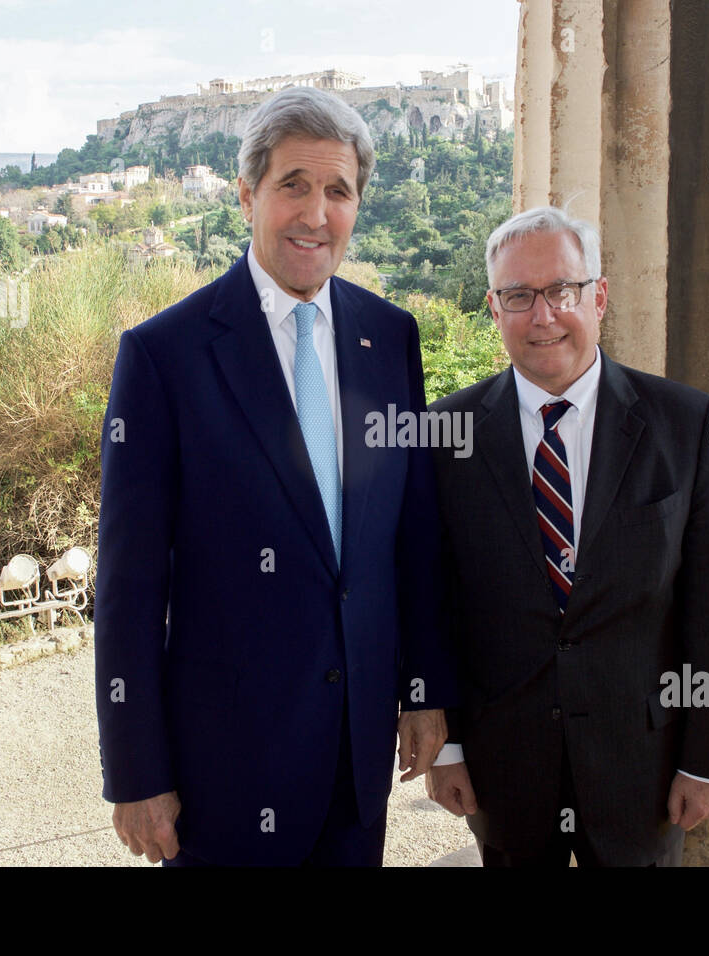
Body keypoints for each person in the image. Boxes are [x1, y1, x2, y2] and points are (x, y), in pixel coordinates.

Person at [95, 86, 453, 867]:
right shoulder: (164, 357)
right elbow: (128, 586)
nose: (315, 215)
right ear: (247, 193)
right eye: (293, 184)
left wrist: (423, 690)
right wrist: (135, 773)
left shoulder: (390, 338)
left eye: (338, 191)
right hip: (221, 775)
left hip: (356, 769)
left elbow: (412, 537)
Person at [424, 206, 709, 866]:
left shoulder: (686, 424)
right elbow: (432, 603)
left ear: (597, 296)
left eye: (561, 292)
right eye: (518, 296)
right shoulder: (444, 435)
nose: (542, 317)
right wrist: (447, 746)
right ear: (494, 308)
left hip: (645, 767)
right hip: (502, 765)